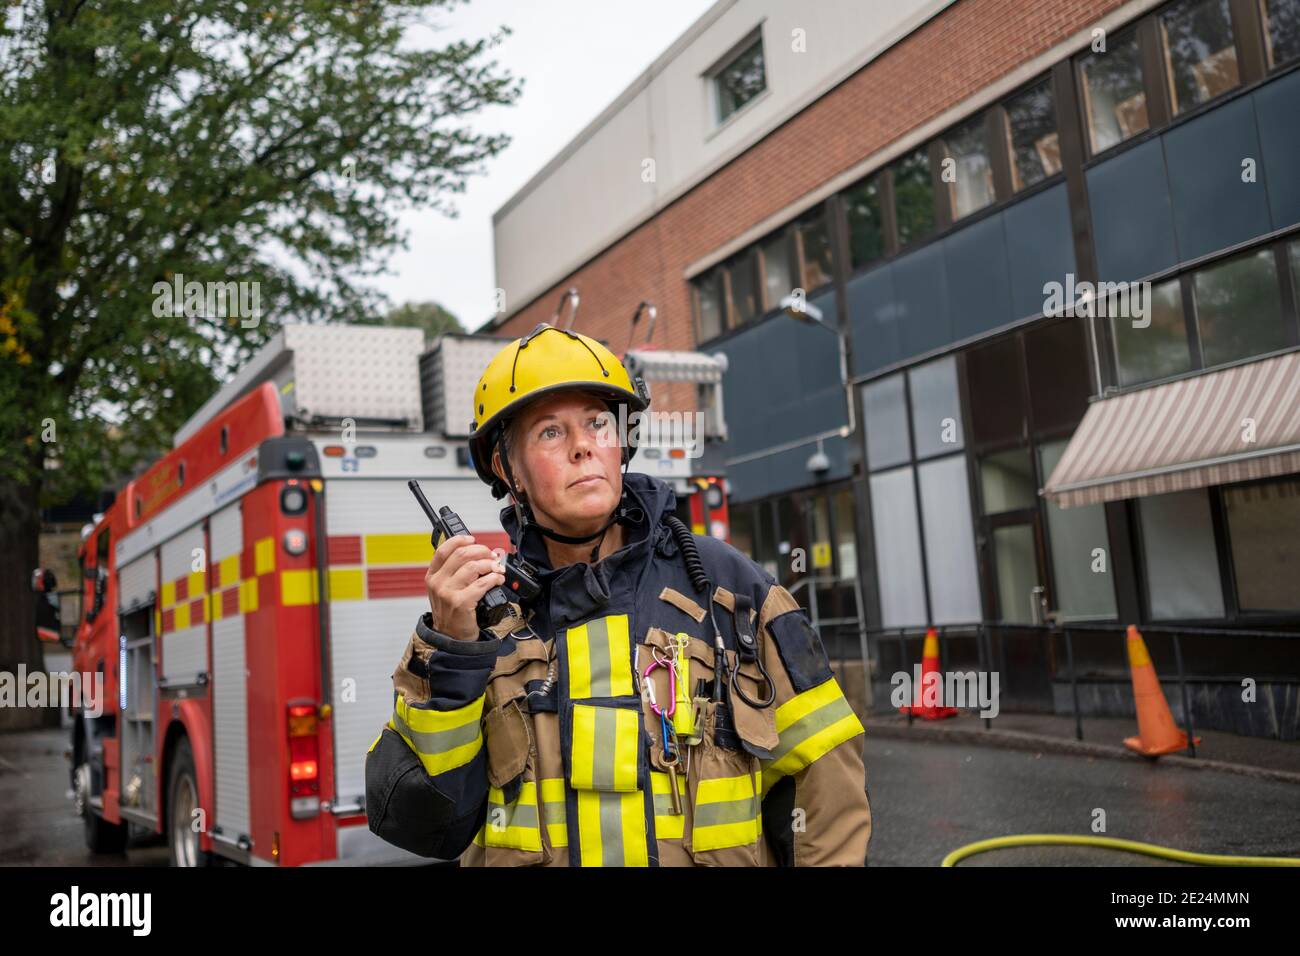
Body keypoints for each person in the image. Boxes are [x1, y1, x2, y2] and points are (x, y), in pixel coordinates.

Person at [365, 322, 872, 866]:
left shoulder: (733, 592)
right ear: (505, 466)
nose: (584, 446)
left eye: (597, 423)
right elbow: (427, 827)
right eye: (550, 433)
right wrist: (453, 654)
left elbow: (826, 793)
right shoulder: (477, 625)